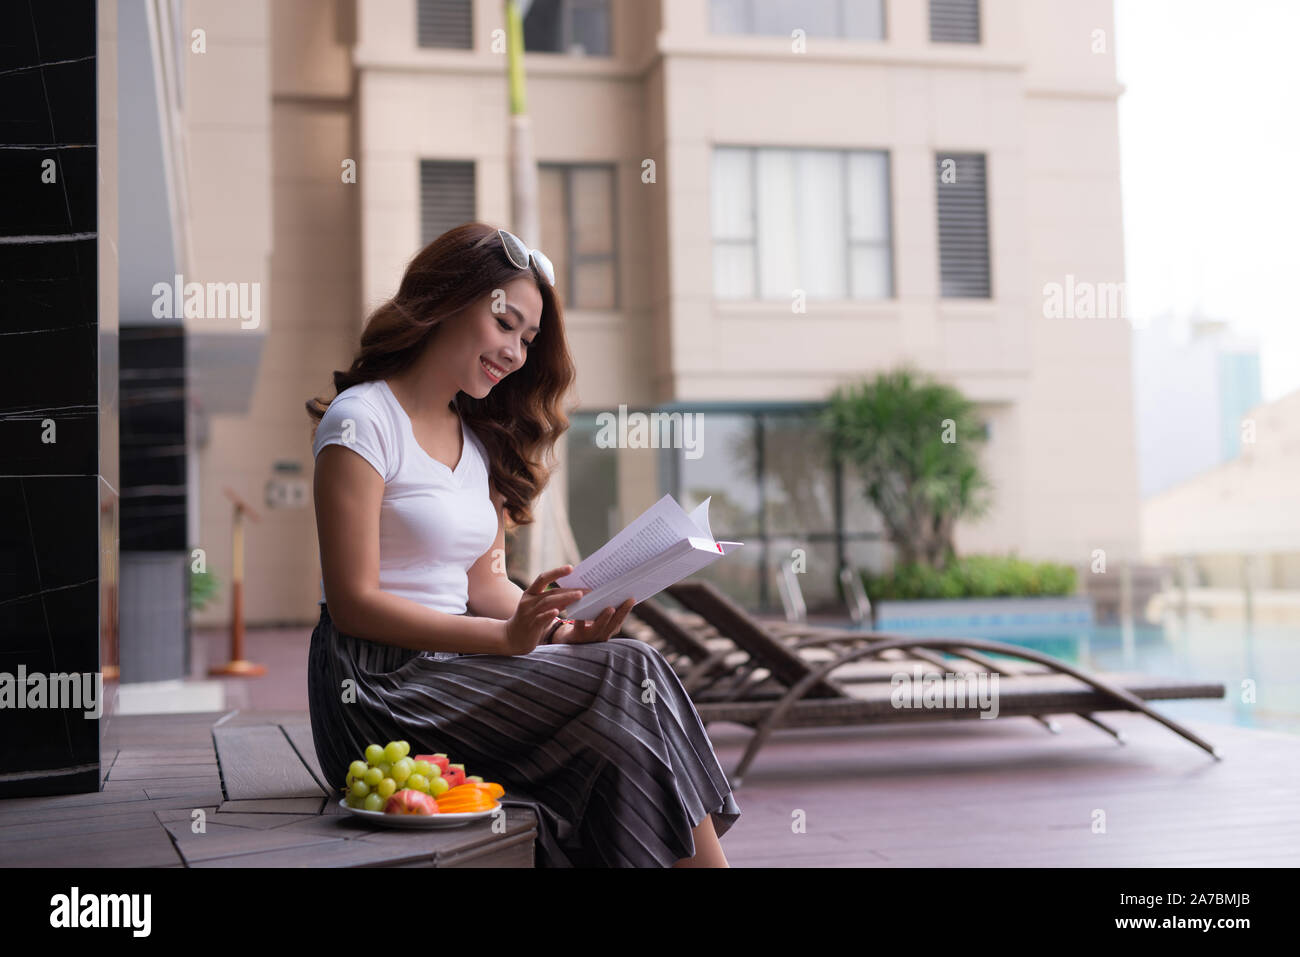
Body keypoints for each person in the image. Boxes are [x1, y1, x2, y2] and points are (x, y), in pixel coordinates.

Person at [304, 222, 739, 867]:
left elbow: (483, 589)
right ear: (449, 300)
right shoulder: (362, 421)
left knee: (620, 719)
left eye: (529, 340)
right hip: (376, 689)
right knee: (633, 672)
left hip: (457, 672)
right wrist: (508, 642)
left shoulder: (476, 443)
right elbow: (354, 605)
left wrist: (558, 633)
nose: (515, 353)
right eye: (506, 325)